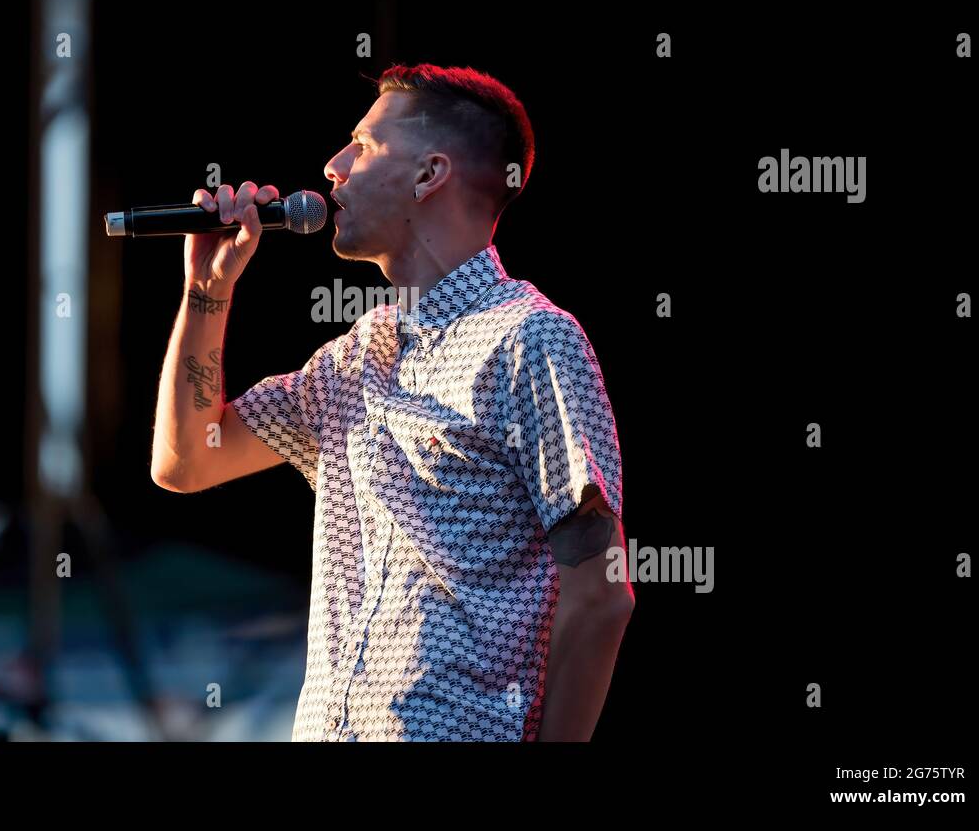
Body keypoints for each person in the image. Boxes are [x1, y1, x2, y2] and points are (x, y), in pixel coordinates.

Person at [151, 63, 632, 741]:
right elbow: (186, 461)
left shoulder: (529, 339)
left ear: (428, 175)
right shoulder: (355, 356)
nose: (333, 165)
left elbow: (601, 594)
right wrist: (207, 290)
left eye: (365, 145)